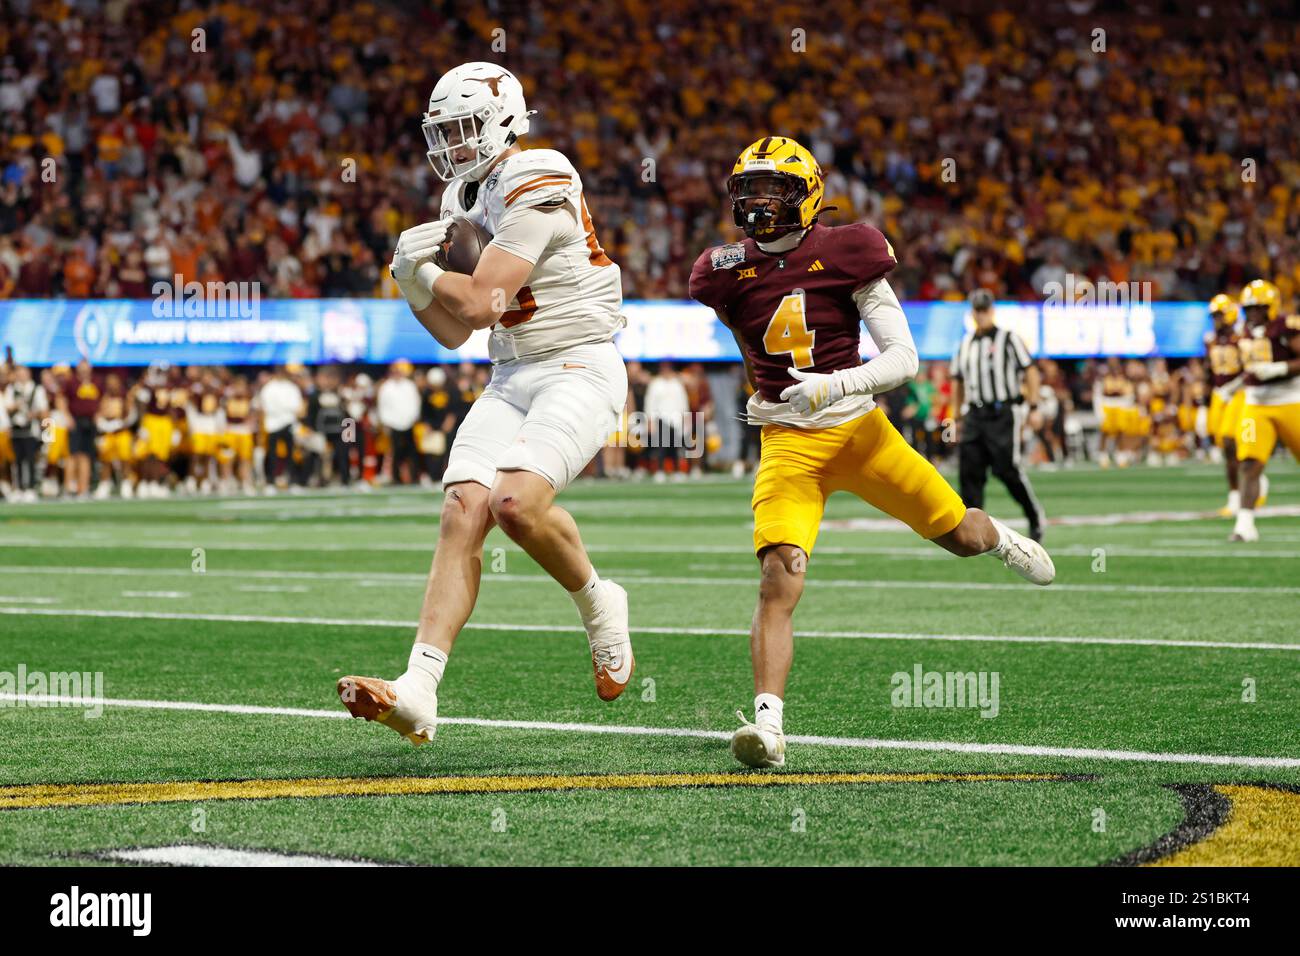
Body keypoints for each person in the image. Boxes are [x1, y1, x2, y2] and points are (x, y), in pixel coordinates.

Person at [688, 136, 1054, 770]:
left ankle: (1001, 539)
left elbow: (904, 360)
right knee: (780, 574)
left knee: (961, 536)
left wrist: (835, 383)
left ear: (807, 196)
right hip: (787, 443)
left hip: (861, 432)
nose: (756, 202)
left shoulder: (848, 250)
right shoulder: (721, 270)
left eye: (772, 189)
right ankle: (769, 730)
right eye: (748, 189)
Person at [338, 63, 633, 744]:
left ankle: (598, 600)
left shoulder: (540, 176)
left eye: (465, 127)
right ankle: (418, 690)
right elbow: (452, 333)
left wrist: (426, 270)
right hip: (510, 373)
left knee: (513, 504)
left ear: (506, 119)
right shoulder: (458, 198)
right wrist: (412, 286)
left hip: (577, 365)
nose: (454, 143)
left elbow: (477, 303)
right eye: (444, 131)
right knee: (461, 509)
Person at [950, 289, 1046, 539]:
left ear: (991, 311)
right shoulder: (965, 344)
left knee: (1006, 469)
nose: (981, 315)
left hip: (1002, 413)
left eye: (984, 310)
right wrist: (955, 418)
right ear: (972, 313)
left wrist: (1034, 407)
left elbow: (1031, 371)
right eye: (977, 310)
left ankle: (1034, 515)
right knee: (970, 472)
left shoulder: (1009, 338)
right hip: (974, 414)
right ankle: (972, 531)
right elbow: (958, 383)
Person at [1231, 280, 1300, 542]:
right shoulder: (1244, 332)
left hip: (1291, 400)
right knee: (1249, 463)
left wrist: (1280, 368)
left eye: (1258, 308)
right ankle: (1244, 524)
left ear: (1271, 307)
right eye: (1249, 309)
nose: (1252, 314)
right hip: (1256, 403)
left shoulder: (1286, 326)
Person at [258, 365, 303, 493]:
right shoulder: (269, 388)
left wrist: (286, 411)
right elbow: (267, 406)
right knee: (272, 454)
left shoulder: (291, 387)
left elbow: (296, 405)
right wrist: (284, 410)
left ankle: (292, 481)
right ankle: (270, 482)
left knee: (291, 454)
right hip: (273, 424)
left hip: (288, 423)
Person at [376, 360, 422, 484]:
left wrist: (413, 418)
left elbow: (415, 402)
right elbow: (383, 406)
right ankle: (396, 478)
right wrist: (386, 422)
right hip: (393, 424)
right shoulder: (386, 387)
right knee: (396, 452)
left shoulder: (409, 385)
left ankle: (414, 477)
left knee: (412, 452)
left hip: (409, 423)